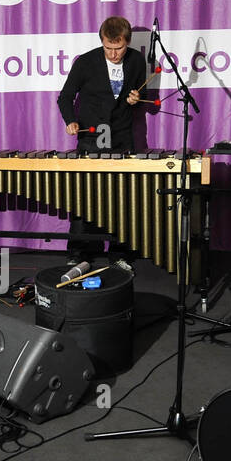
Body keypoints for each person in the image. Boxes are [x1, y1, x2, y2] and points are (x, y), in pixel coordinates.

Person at [55, 16, 145, 270]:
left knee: (122, 201)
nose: (114, 54)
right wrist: (71, 121)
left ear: (128, 42)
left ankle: (119, 254)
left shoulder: (137, 61)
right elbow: (65, 97)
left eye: (119, 48)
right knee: (83, 200)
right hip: (91, 140)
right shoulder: (85, 62)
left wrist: (136, 98)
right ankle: (77, 253)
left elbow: (142, 93)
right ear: (102, 41)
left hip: (121, 139)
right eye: (108, 48)